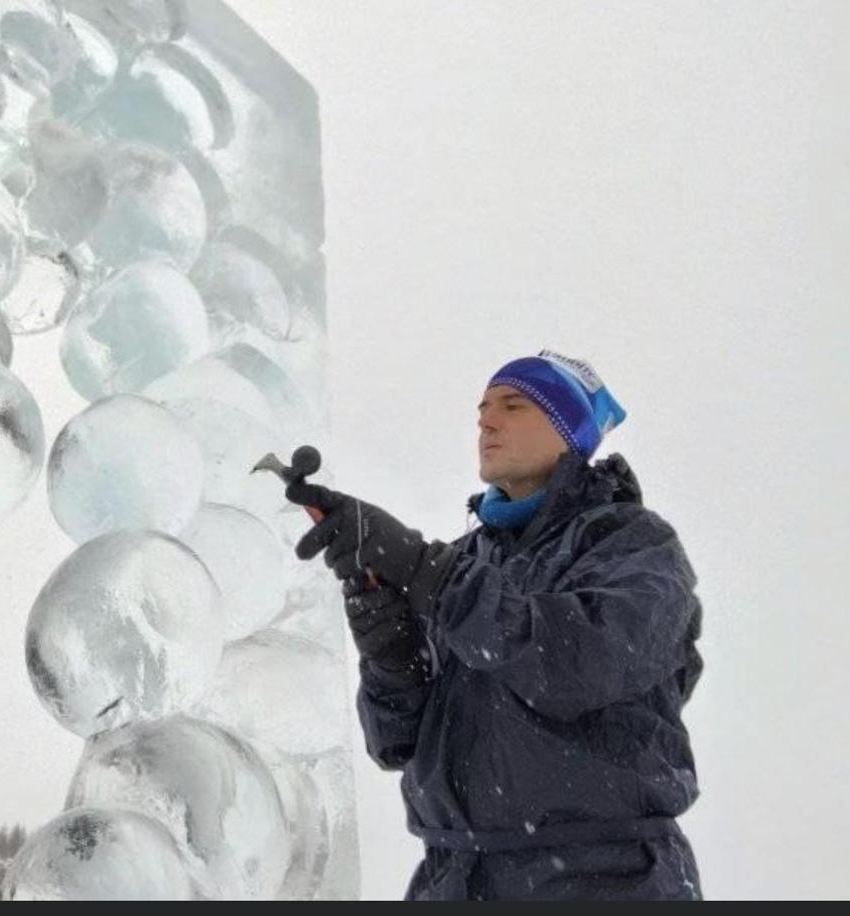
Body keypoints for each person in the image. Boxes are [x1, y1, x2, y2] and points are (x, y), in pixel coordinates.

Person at [285, 349, 704, 901]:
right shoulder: (467, 561)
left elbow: (577, 662)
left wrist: (419, 566)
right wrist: (389, 650)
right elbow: (393, 744)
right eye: (482, 408)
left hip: (602, 876)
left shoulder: (634, 546)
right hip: (454, 877)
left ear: (569, 430)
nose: (487, 419)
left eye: (513, 404)